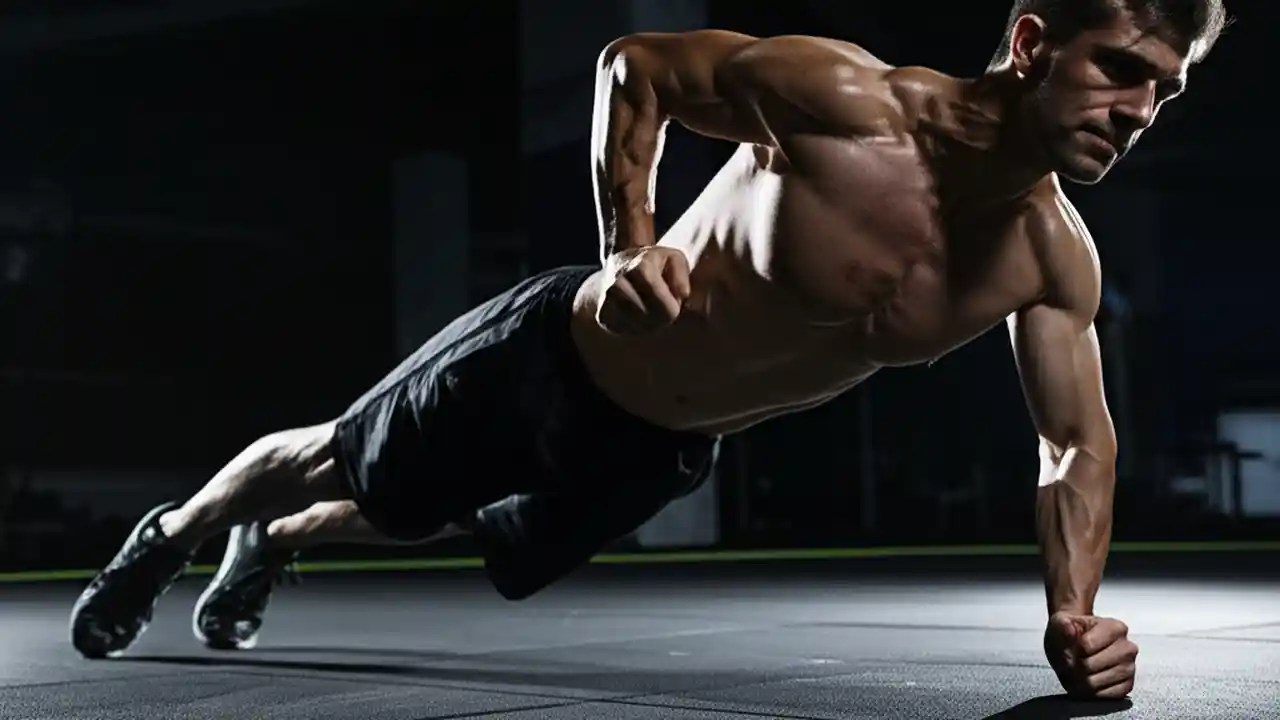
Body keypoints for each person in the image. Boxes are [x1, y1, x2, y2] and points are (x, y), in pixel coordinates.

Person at [70, 0, 1228, 701]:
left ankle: (269, 543)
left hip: (660, 449)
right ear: (1031, 42)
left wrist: (1073, 613)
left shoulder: (1046, 258)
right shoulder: (842, 100)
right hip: (551, 353)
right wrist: (626, 242)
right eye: (1119, 69)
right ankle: (167, 540)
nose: (1137, 110)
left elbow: (1073, 447)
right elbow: (637, 66)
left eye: (1163, 93)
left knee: (439, 520)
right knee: (341, 455)